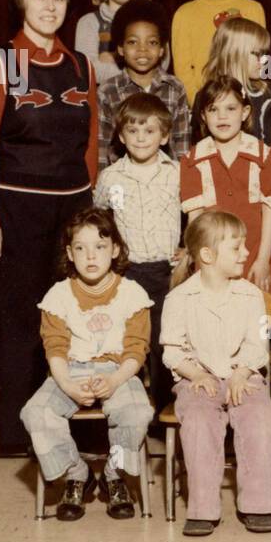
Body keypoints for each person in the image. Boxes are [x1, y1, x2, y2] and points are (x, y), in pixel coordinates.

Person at [0, 0, 98, 454]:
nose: (50, 7)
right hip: (17, 212)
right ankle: (18, 437)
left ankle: (73, 429)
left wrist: (89, 212)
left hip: (72, 213)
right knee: (22, 322)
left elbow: (90, 145)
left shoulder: (81, 65)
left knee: (73, 322)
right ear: (21, 2)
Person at [21, 208, 154, 521]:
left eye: (100, 247)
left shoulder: (132, 294)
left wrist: (115, 380)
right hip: (70, 371)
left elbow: (137, 349)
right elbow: (54, 347)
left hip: (118, 372)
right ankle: (76, 474)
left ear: (116, 250)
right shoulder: (58, 295)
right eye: (80, 248)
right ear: (69, 253)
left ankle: (114, 475)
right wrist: (67, 384)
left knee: (137, 412)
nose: (90, 256)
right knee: (35, 413)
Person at [161, 210, 271, 537]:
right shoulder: (178, 299)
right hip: (197, 378)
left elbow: (259, 345)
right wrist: (196, 375)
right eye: (237, 247)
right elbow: (172, 350)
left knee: (262, 418)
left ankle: (257, 503)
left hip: (242, 375)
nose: (247, 253)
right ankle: (203, 507)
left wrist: (243, 373)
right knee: (200, 422)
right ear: (207, 255)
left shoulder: (251, 296)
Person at [93, 92, 182, 415]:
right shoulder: (111, 177)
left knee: (163, 344)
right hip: (126, 273)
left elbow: (193, 215)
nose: (141, 138)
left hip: (165, 273)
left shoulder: (176, 174)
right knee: (128, 344)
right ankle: (126, 411)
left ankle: (166, 413)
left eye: (150, 131)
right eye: (133, 131)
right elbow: (100, 219)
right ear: (120, 135)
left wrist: (186, 249)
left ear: (165, 135)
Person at [179, 76, 271, 314]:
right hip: (211, 262)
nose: (222, 116)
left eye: (231, 108)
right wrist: (192, 256)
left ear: (245, 112)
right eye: (213, 109)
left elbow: (270, 210)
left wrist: (263, 259)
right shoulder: (192, 160)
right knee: (213, 322)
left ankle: (268, 352)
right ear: (203, 116)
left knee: (262, 326)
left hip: (254, 257)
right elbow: (194, 218)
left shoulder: (265, 156)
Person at [96, 0, 189, 167]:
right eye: (133, 42)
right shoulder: (107, 91)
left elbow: (181, 145)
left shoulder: (175, 88)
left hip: (165, 183)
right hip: (121, 184)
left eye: (152, 42)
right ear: (121, 48)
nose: (142, 49)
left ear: (162, 49)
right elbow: (101, 148)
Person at [190, 17, 271, 157]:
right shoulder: (206, 95)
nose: (264, 60)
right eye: (257, 54)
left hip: (265, 171)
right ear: (234, 53)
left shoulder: (268, 93)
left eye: (265, 54)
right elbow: (198, 146)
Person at [74, 0, 157, 86]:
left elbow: (161, 65)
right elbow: (87, 70)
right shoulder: (89, 23)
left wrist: (113, 58)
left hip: (144, 103)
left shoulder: (154, 21)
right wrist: (137, 72)